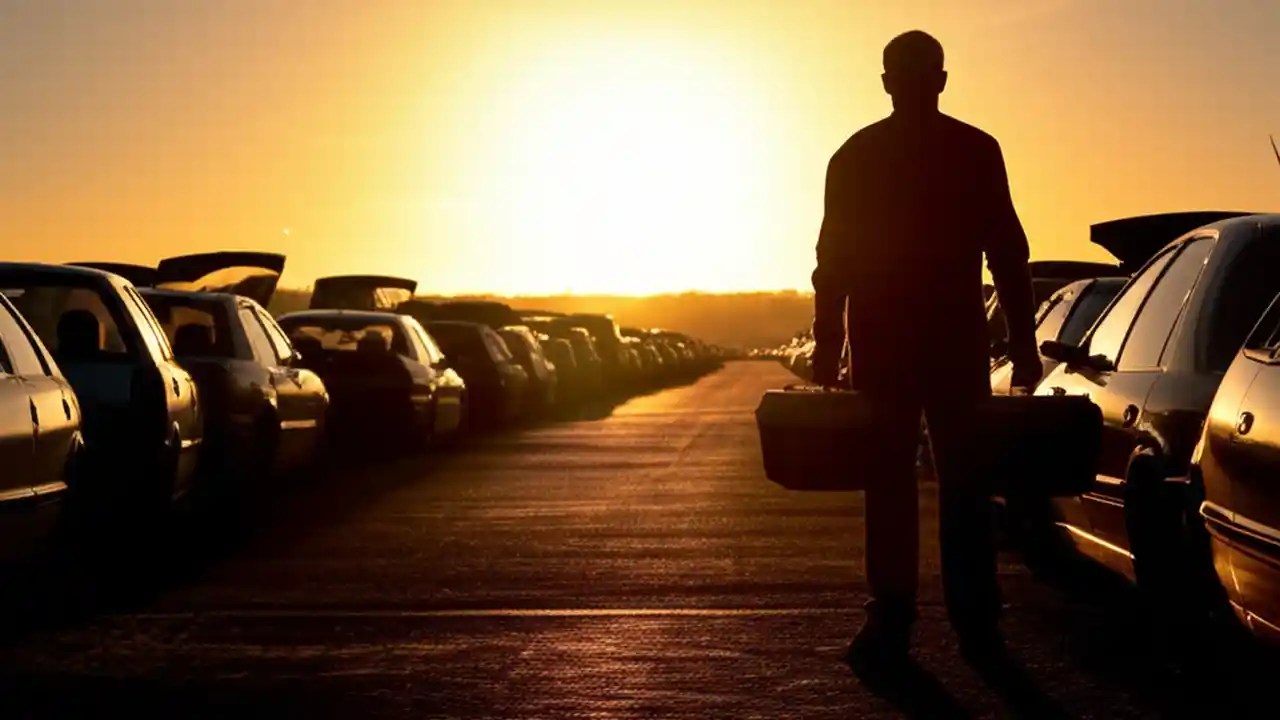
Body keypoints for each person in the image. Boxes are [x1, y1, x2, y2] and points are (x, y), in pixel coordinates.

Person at [811, 30, 1040, 663]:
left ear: (888, 82)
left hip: (888, 345)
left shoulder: (855, 157)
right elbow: (1009, 255)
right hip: (950, 343)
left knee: (891, 481)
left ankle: (894, 616)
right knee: (962, 482)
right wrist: (1022, 342)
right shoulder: (973, 150)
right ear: (941, 79)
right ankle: (971, 617)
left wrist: (829, 342)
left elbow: (833, 263)